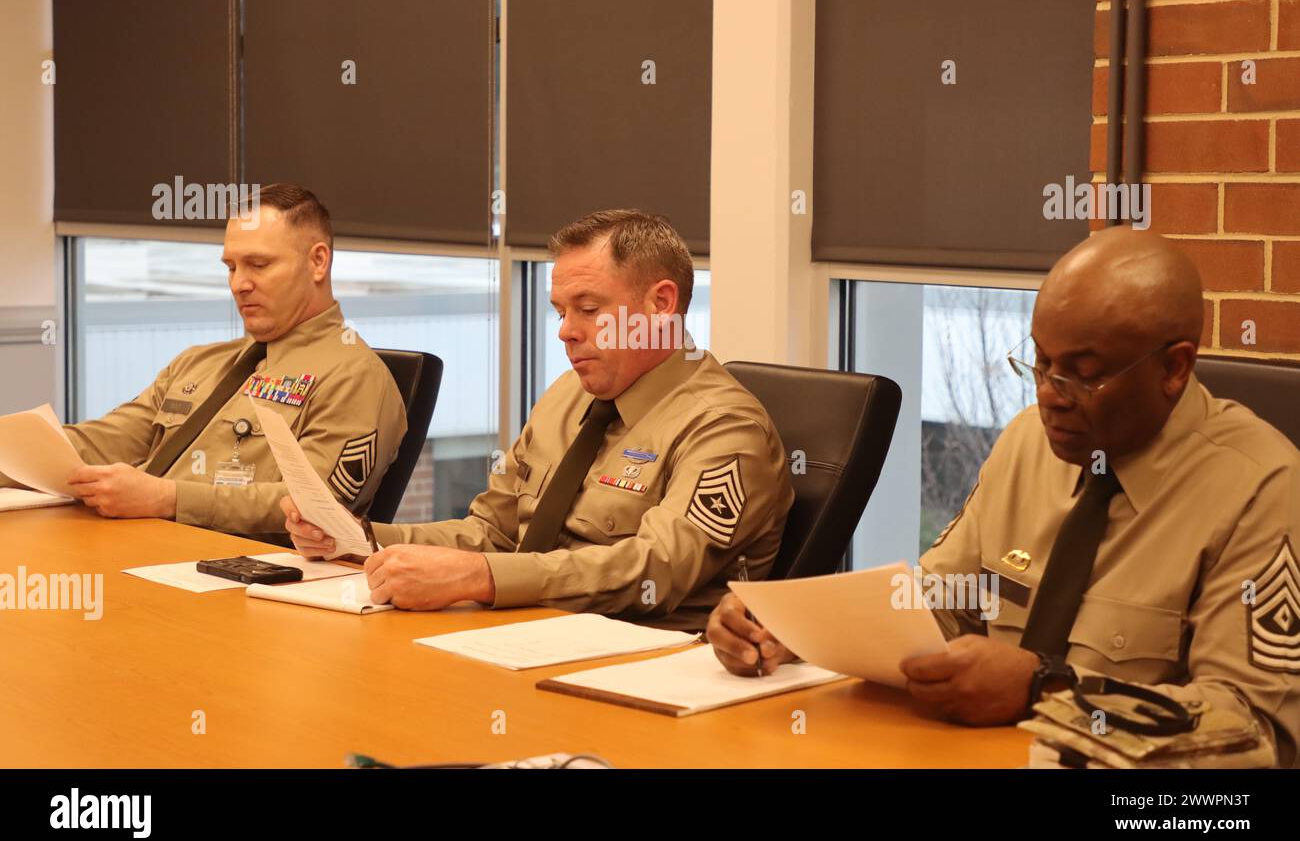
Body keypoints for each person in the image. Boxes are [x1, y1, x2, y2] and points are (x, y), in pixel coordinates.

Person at [707, 227, 1300, 767]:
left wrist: (1050, 690)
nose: (1050, 395)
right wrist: (794, 626)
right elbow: (938, 607)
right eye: (1040, 363)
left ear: (1174, 368)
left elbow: (1257, 735)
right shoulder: (1027, 443)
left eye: (1080, 374)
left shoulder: (1263, 491)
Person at [281, 210, 794, 631]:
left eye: (589, 309)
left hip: (642, 662)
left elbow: (653, 570)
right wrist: (362, 540)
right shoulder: (568, 396)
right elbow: (492, 533)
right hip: (522, 633)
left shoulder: (725, 427)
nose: (566, 333)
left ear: (661, 305)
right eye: (560, 311)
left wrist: (481, 579)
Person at [0, 183, 407, 544]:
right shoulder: (198, 363)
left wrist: (167, 499)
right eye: (231, 267)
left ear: (318, 262)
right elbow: (103, 442)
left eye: (259, 265)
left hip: (240, 577)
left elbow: (315, 507)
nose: (239, 283)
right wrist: (10, 456)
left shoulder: (355, 377)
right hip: (139, 551)